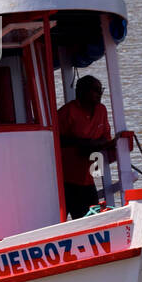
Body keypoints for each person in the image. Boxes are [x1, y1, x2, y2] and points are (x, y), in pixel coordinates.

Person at [57, 75, 124, 220]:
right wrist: (80, 143)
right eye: (96, 90)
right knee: (66, 221)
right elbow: (53, 140)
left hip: (88, 178)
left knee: (92, 219)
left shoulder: (101, 110)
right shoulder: (67, 112)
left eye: (101, 90)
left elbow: (105, 136)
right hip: (66, 180)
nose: (100, 94)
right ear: (82, 92)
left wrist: (101, 144)